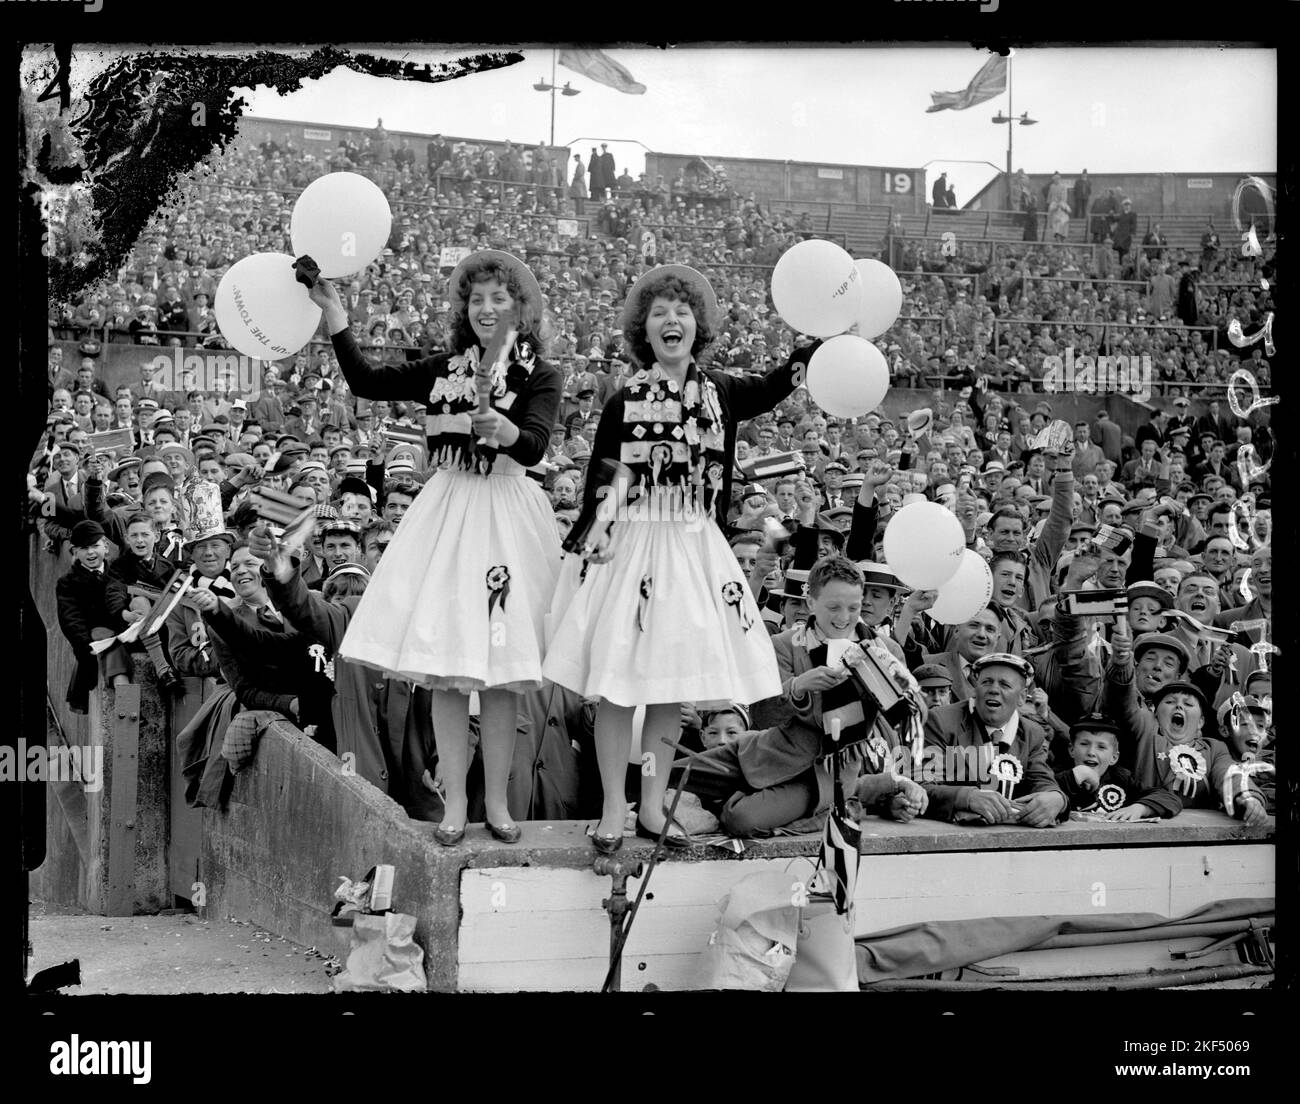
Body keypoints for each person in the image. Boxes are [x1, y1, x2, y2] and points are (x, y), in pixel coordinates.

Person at [542, 264, 819, 853]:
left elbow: (777, 385)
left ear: (699, 325)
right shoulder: (625, 400)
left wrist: (816, 347)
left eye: (682, 311)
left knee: (670, 687)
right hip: (637, 543)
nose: (672, 321)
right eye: (660, 312)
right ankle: (612, 805)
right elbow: (603, 475)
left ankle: (651, 803)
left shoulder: (722, 392)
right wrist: (595, 536)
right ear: (644, 329)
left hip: (694, 545)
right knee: (617, 684)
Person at [307, 249, 563, 848]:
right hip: (448, 513)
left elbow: (536, 443)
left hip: (507, 515)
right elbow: (367, 382)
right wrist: (335, 314)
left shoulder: (540, 374)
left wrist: (506, 431)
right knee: (448, 671)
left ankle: (495, 802)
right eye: (476, 299)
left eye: (499, 298)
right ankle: (454, 805)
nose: (486, 308)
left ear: (521, 309)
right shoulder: (444, 368)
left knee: (501, 673)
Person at [676, 557, 926, 837]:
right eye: (833, 607)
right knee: (662, 778)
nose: (844, 618)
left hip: (824, 776)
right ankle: (725, 796)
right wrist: (797, 687)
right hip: (765, 754)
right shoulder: (784, 645)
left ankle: (840, 806)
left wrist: (899, 686)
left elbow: (912, 719)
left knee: (740, 819)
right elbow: (762, 716)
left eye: (853, 608)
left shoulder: (883, 650)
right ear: (811, 603)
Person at [919, 652, 1068, 827]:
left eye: (1005, 685)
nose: (994, 690)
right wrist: (966, 797)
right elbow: (921, 786)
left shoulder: (1032, 733)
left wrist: (1057, 799)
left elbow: (1043, 781)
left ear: (1022, 697)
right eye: (986, 682)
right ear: (975, 689)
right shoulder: (940, 721)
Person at [1052, 713, 1181, 819]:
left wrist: (1140, 808)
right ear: (1071, 750)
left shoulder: (1121, 778)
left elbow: (1169, 798)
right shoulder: (1055, 776)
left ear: (1114, 757)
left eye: (1101, 747)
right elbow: (1044, 791)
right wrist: (1076, 776)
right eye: (1084, 744)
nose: (1091, 752)